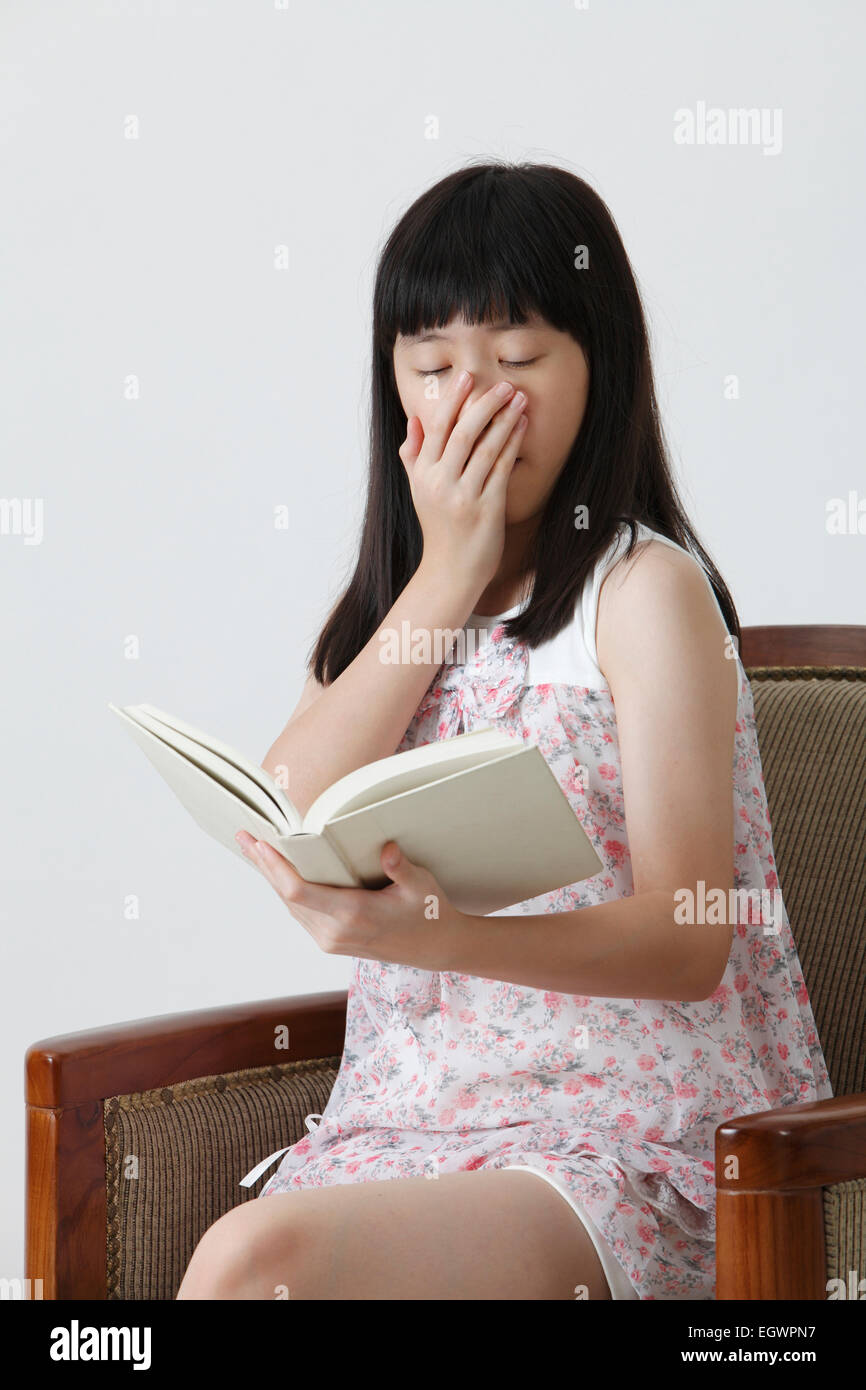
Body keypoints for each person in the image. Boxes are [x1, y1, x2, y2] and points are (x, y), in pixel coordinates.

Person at [176, 159, 832, 1301]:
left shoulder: (641, 594)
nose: (473, 402)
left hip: (629, 1149)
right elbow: (284, 802)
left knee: (250, 1263)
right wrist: (447, 574)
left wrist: (442, 936)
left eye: (517, 360)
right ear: (393, 389)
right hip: (406, 1130)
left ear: (600, 365)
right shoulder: (398, 615)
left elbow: (690, 938)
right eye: (433, 367)